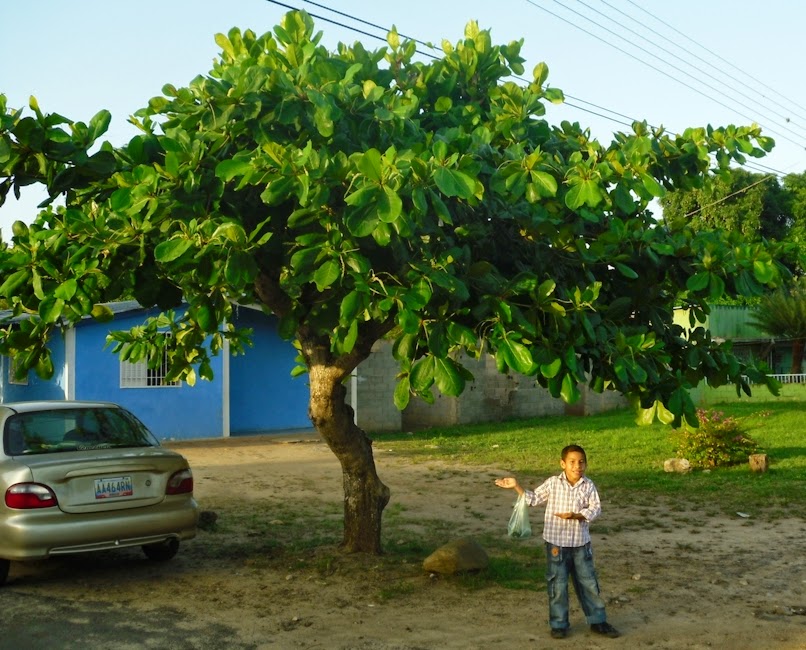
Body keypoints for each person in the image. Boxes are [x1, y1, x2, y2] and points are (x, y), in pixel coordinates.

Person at [495, 444, 620, 640]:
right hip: (556, 545)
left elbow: (596, 509)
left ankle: (598, 621)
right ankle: (559, 624)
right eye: (572, 462)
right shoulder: (553, 483)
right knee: (558, 584)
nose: (577, 466)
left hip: (580, 545)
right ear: (563, 464)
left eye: (581, 462)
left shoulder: (588, 485)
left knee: (588, 583)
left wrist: (577, 515)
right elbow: (534, 499)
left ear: (586, 464)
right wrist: (516, 486)